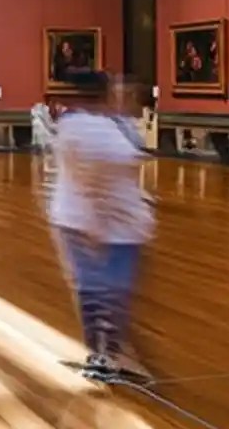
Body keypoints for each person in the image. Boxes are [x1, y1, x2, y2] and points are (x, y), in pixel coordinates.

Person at [49, 71, 154, 381]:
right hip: (108, 222)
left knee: (95, 288)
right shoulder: (93, 130)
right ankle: (108, 352)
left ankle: (105, 350)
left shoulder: (77, 126)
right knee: (107, 289)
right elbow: (126, 159)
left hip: (86, 220)